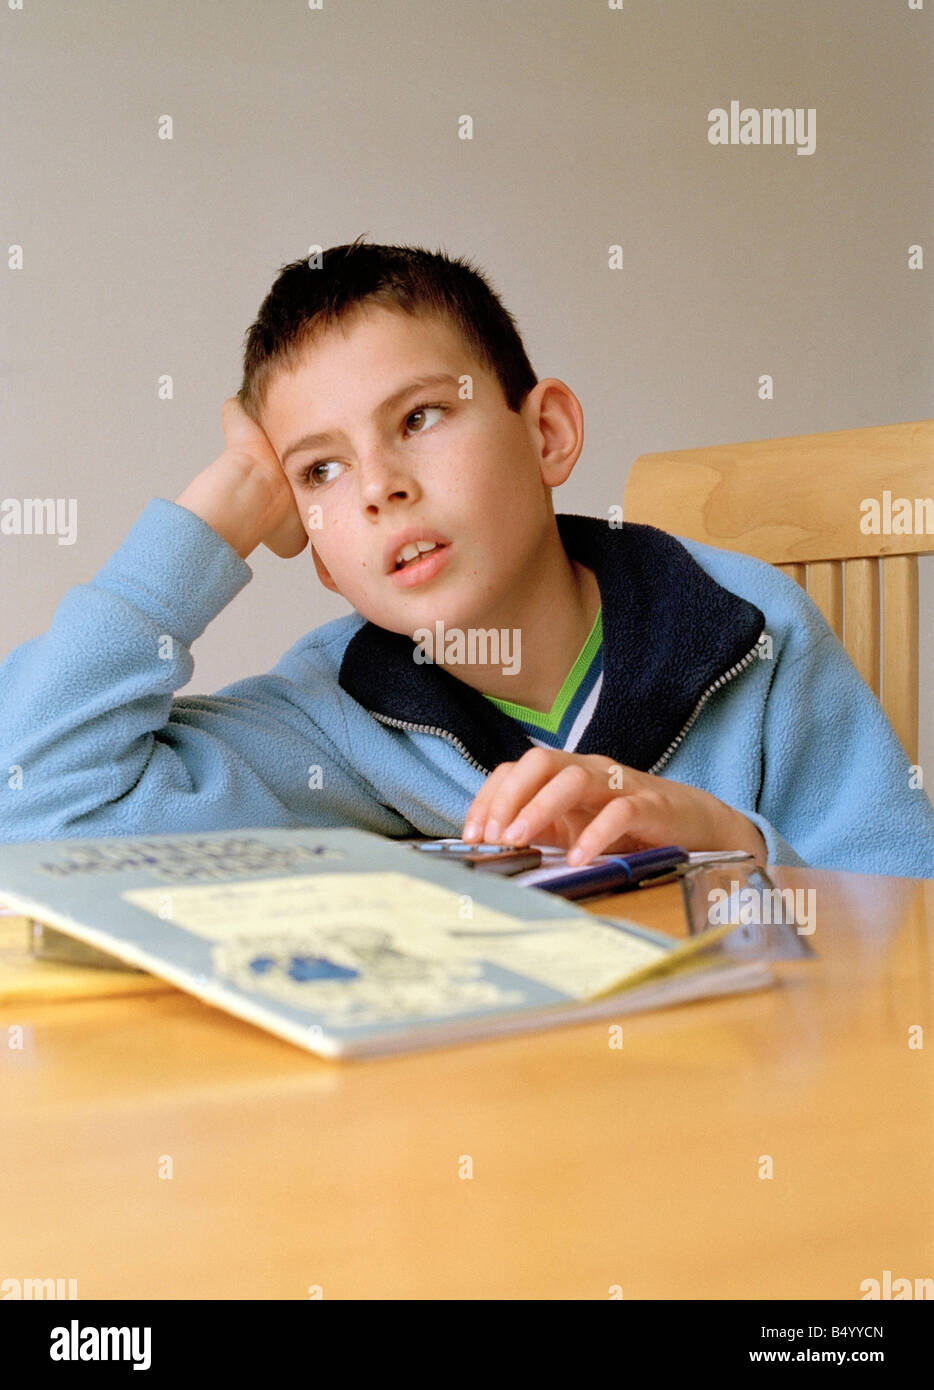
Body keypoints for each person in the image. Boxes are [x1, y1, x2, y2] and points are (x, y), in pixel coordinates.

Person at [1, 237, 932, 876]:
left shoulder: (750, 631)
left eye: (420, 417)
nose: (378, 487)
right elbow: (34, 806)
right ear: (322, 558)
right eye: (319, 471)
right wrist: (224, 506)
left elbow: (909, 912)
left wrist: (740, 845)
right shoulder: (333, 720)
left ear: (549, 435)